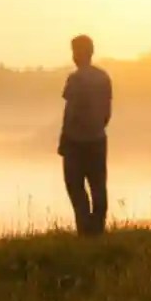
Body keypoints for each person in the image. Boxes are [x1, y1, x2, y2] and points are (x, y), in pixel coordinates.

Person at [59, 34, 112, 236]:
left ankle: (85, 230)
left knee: (75, 187)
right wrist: (98, 126)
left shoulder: (75, 79)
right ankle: (97, 230)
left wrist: (64, 139)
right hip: (98, 139)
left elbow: (70, 111)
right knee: (98, 186)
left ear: (79, 54)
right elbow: (107, 112)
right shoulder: (104, 77)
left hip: (76, 141)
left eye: (74, 51)